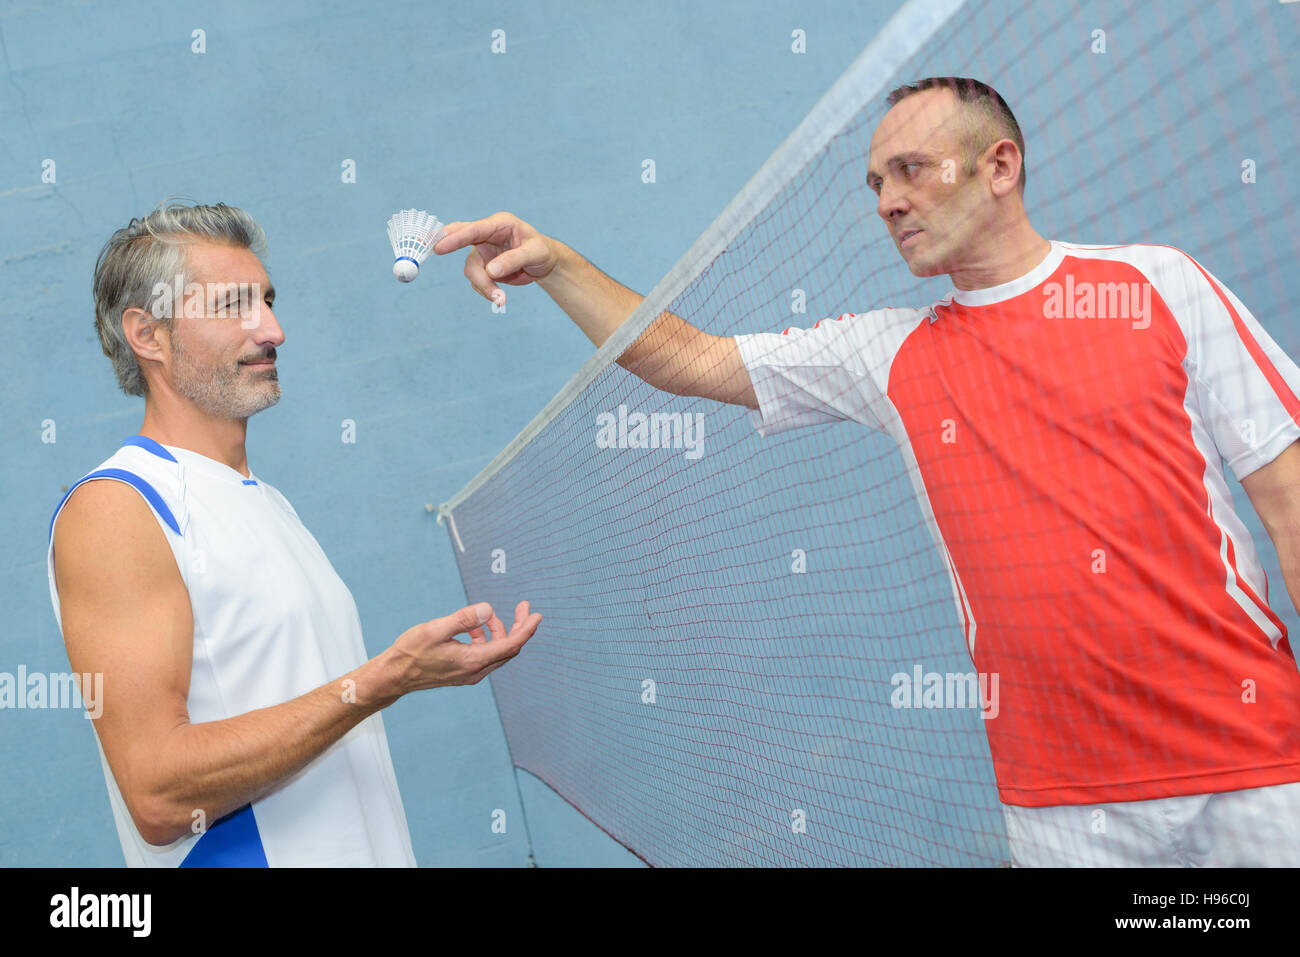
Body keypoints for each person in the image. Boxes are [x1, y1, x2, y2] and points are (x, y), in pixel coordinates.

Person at [432, 77, 1300, 866]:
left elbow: (1288, 500)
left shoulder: (1156, 287)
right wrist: (558, 265)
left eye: (911, 170)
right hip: (1062, 805)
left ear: (1000, 165)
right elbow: (688, 360)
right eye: (877, 184)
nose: (888, 201)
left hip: (1257, 764)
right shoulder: (890, 352)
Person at [47, 202, 541, 867]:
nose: (272, 330)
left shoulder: (270, 504)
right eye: (233, 306)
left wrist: (389, 680)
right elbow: (159, 792)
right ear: (149, 335)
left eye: (269, 302)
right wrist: (382, 681)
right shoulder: (119, 507)